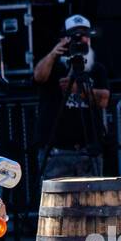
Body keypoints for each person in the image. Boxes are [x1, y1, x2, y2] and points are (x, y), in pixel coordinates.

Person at [33, 14, 111, 180]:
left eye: (84, 35)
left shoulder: (96, 68)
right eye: (74, 36)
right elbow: (38, 77)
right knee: (55, 202)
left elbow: (104, 99)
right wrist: (54, 53)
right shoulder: (53, 66)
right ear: (64, 38)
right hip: (57, 151)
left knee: (92, 201)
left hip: (88, 149)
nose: (80, 40)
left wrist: (79, 89)